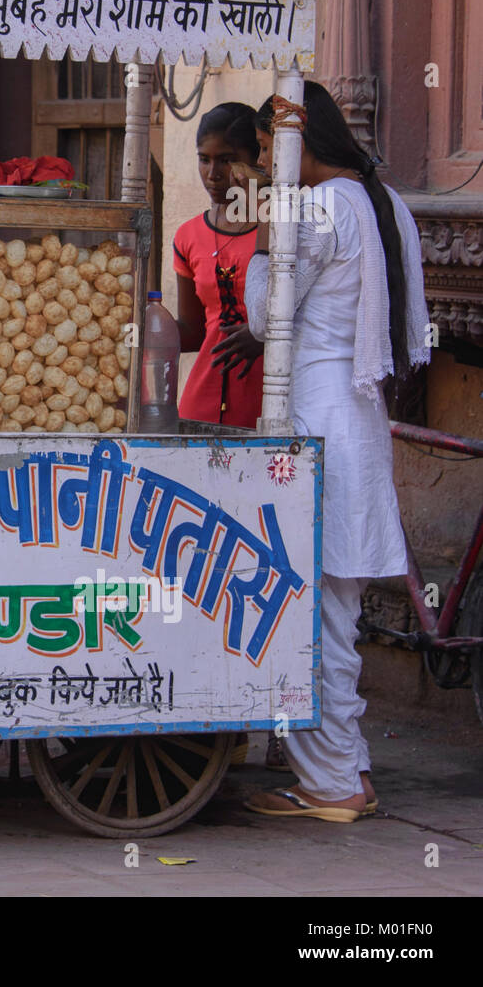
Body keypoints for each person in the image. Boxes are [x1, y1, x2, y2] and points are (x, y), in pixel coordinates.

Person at [242, 81, 430, 823]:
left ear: (298, 143)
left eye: (264, 150)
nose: (260, 167)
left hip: (318, 417)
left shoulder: (315, 211)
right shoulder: (388, 205)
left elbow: (265, 318)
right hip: (356, 419)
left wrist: (262, 238)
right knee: (335, 612)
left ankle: (332, 784)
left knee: (317, 612)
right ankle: (345, 771)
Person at [172, 102, 264, 428]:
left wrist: (265, 335)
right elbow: (194, 334)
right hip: (200, 404)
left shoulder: (279, 227)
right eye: (204, 159)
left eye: (227, 160)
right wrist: (137, 322)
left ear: (257, 160)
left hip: (270, 401)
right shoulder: (188, 236)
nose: (213, 174)